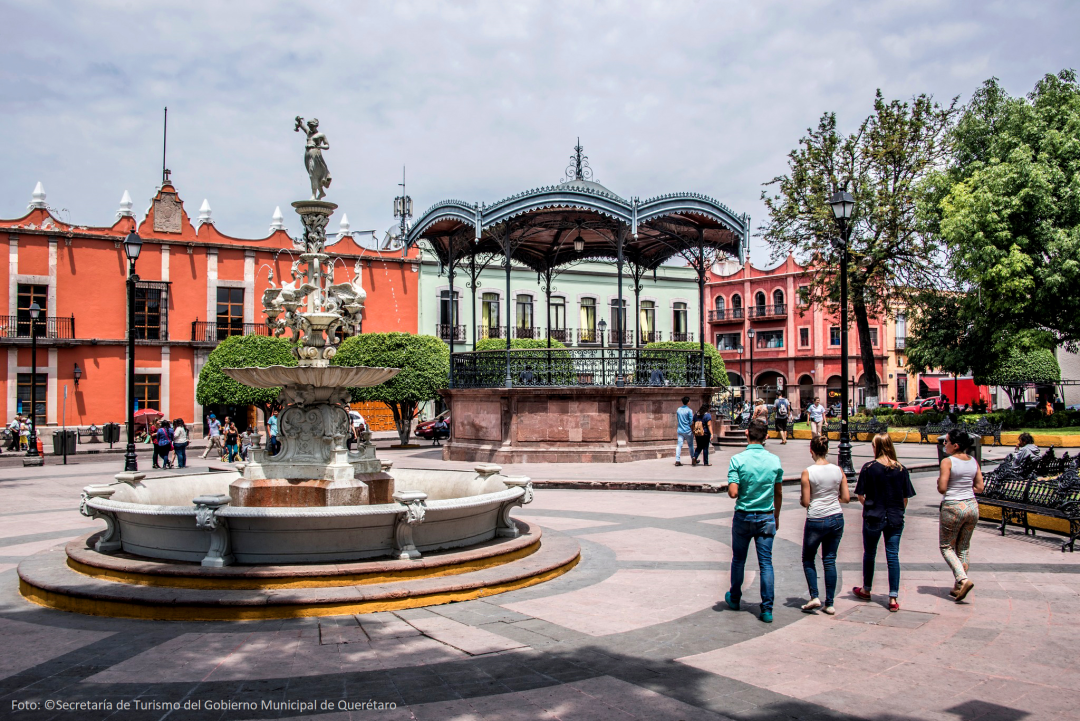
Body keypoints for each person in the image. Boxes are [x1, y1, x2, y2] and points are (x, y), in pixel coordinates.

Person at [725, 419, 784, 623]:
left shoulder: (737, 460)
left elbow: (733, 492)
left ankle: (734, 597)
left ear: (747, 434)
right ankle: (766, 609)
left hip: (744, 515)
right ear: (766, 437)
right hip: (766, 515)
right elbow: (778, 492)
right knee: (766, 564)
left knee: (739, 560)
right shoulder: (774, 461)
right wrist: (776, 515)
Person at [853, 433, 916, 612]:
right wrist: (897, 510)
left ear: (877, 447)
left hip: (874, 516)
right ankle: (893, 597)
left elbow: (860, 495)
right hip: (895, 517)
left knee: (870, 553)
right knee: (892, 555)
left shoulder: (869, 468)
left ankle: (866, 588)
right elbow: (905, 498)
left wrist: (870, 506)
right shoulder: (901, 469)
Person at [800, 435, 849, 614]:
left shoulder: (808, 472)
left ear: (811, 450)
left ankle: (814, 596)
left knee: (808, 558)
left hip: (816, 518)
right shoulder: (838, 470)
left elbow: (806, 501)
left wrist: (804, 500)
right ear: (827, 450)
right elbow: (845, 498)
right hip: (836, 517)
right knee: (829, 560)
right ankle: (829, 603)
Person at [938, 428, 984, 603]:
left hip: (953, 506)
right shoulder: (973, 461)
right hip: (971, 506)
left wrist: (943, 483)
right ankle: (959, 587)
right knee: (963, 547)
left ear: (955, 445)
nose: (944, 444)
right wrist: (965, 489)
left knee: (946, 547)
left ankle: (962, 579)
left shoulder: (947, 462)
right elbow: (979, 487)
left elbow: (942, 488)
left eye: (947, 441)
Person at [675, 396, 694, 467]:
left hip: (680, 430)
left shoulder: (678, 410)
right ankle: (693, 458)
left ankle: (677, 460)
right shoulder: (689, 410)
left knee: (679, 445)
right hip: (687, 430)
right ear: (688, 402)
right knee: (691, 445)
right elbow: (691, 421)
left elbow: (678, 418)